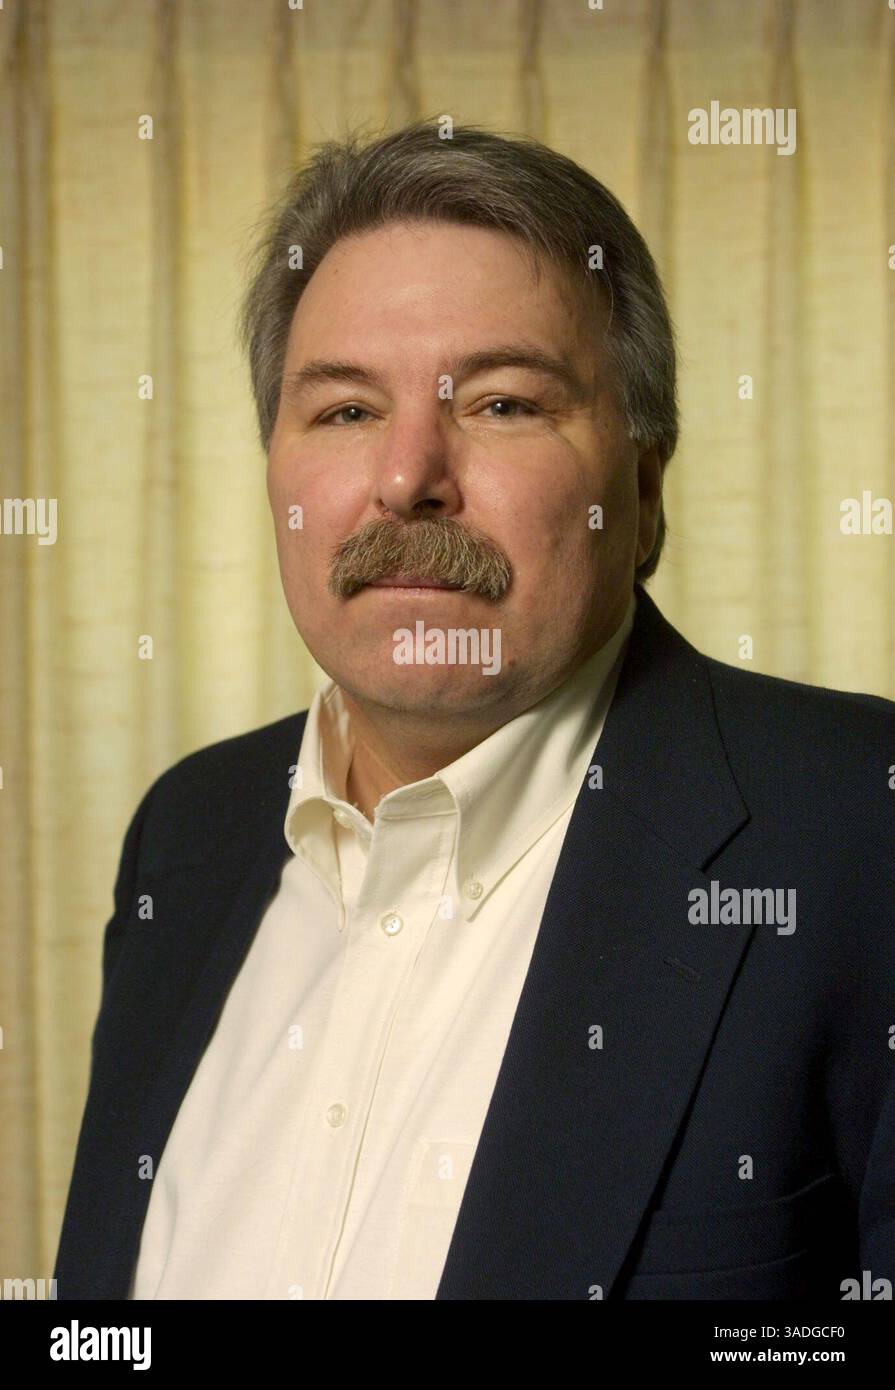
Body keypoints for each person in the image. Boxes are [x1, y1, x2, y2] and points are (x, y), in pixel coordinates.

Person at [55, 120, 895, 1300]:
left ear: (641, 493)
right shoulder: (183, 837)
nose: (407, 476)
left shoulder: (859, 824)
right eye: (344, 410)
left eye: (501, 403)